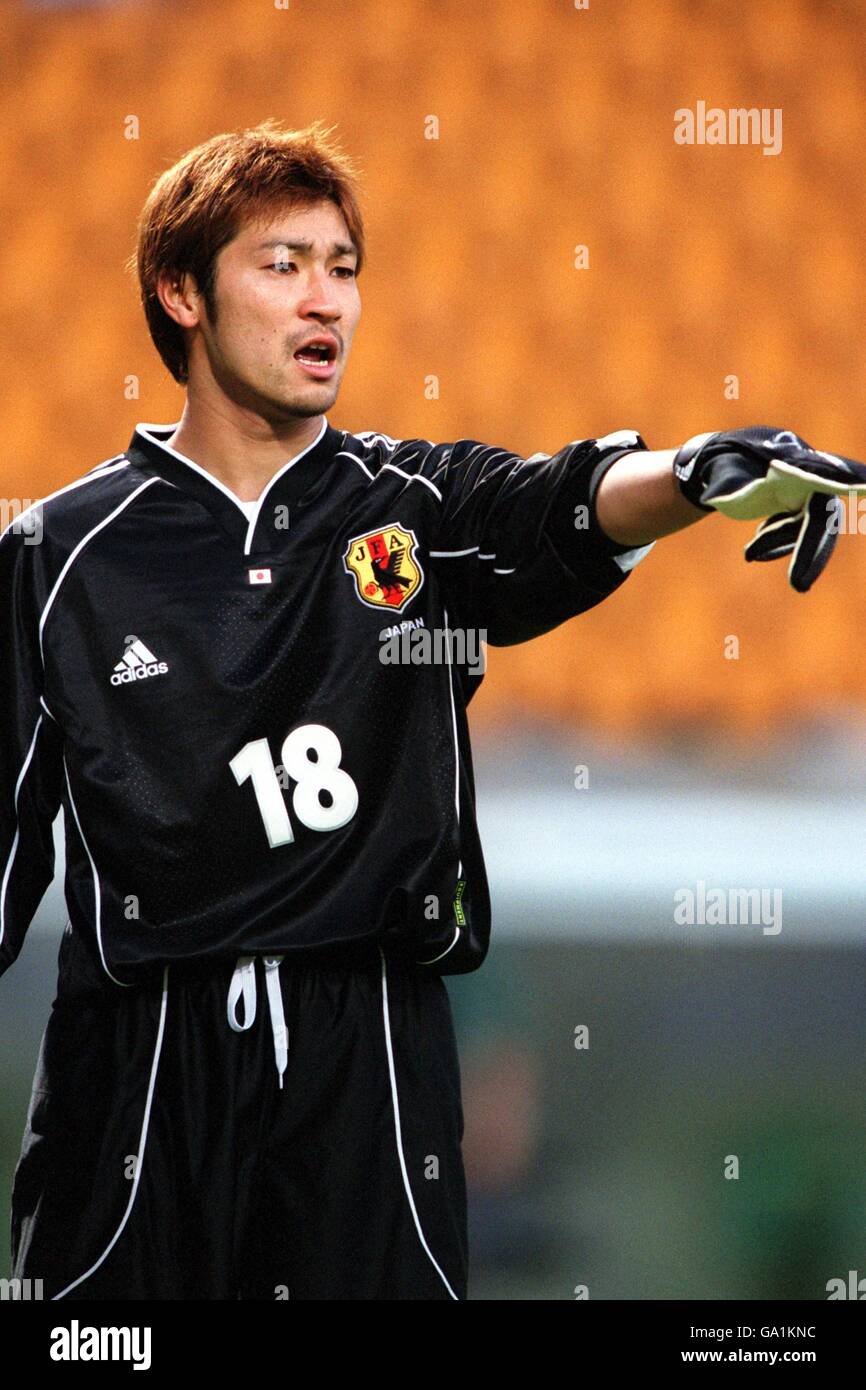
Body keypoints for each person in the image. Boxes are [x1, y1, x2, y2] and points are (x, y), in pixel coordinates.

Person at [2, 119, 864, 1301]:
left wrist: (691, 471)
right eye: (282, 264)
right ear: (180, 292)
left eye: (343, 268)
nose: (325, 303)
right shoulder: (57, 557)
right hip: (143, 1059)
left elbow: (551, 509)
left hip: (372, 1054)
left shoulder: (411, 507)